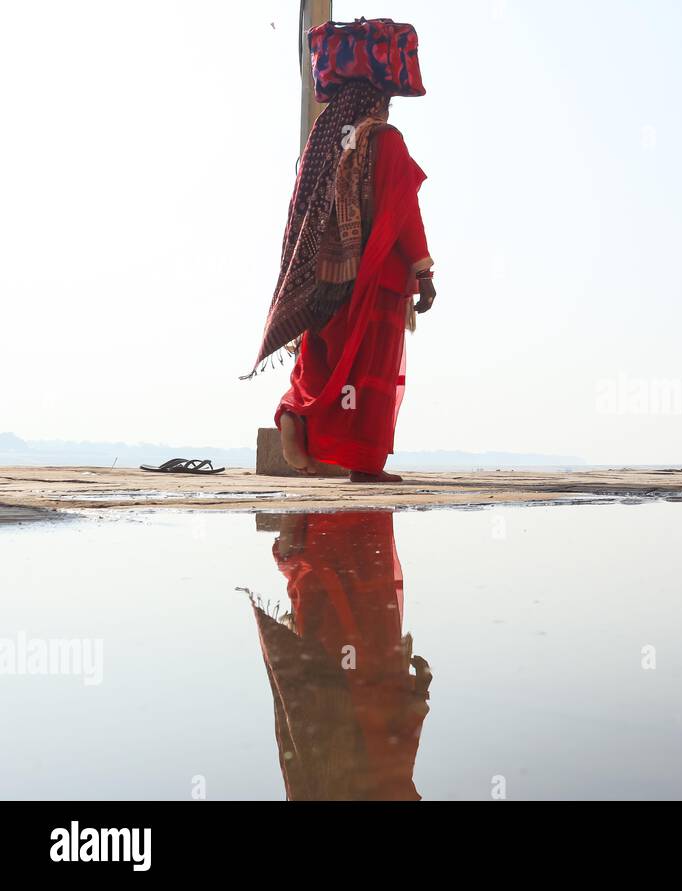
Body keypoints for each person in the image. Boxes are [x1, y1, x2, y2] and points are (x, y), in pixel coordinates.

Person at [250, 74, 437, 484]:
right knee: (369, 370)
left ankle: (295, 412)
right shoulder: (386, 140)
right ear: (376, 103)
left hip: (327, 273)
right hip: (377, 275)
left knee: (323, 354)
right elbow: (402, 214)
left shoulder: (328, 142)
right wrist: (424, 271)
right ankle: (365, 463)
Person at [250, 511, 432, 799]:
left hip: (347, 689)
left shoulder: (319, 786)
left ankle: (302, 527)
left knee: (322, 594)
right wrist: (418, 694)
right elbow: (401, 756)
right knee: (336, 587)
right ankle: (303, 528)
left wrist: (418, 696)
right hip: (368, 681)